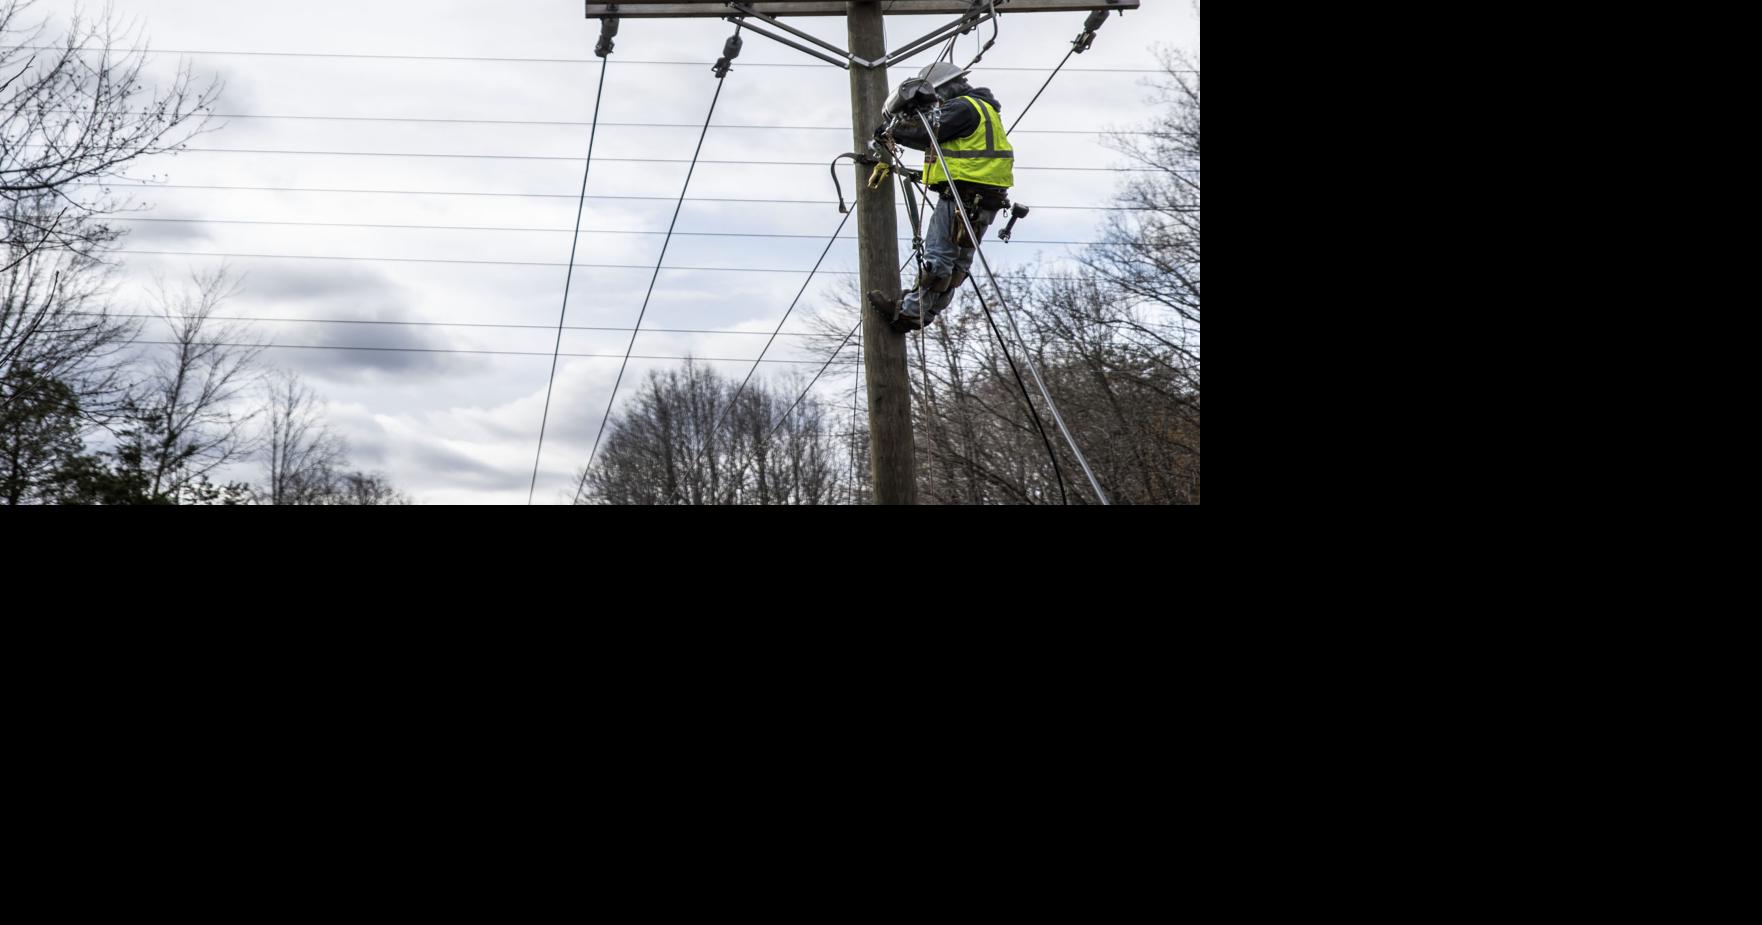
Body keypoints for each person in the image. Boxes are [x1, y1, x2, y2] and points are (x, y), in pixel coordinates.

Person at [871, 62, 1015, 332]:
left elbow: (927, 133)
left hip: (963, 196)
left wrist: (891, 131)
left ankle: (911, 312)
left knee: (939, 259)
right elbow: (931, 138)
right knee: (957, 264)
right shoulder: (982, 108)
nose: (934, 103)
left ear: (945, 88)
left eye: (935, 96)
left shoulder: (963, 107)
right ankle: (925, 310)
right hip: (986, 198)